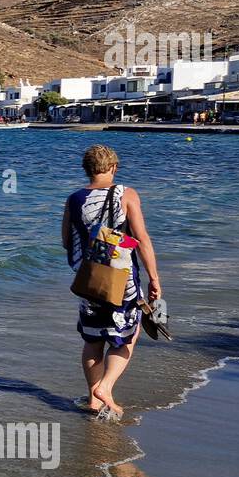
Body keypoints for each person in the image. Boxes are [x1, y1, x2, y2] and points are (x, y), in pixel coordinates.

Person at [61, 145, 161, 419]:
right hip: (121, 280)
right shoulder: (127, 194)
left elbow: (67, 241)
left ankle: (94, 401)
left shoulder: (73, 199)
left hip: (89, 280)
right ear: (114, 167)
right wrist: (154, 278)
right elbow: (142, 240)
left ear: (86, 169)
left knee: (93, 339)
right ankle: (105, 387)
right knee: (127, 335)